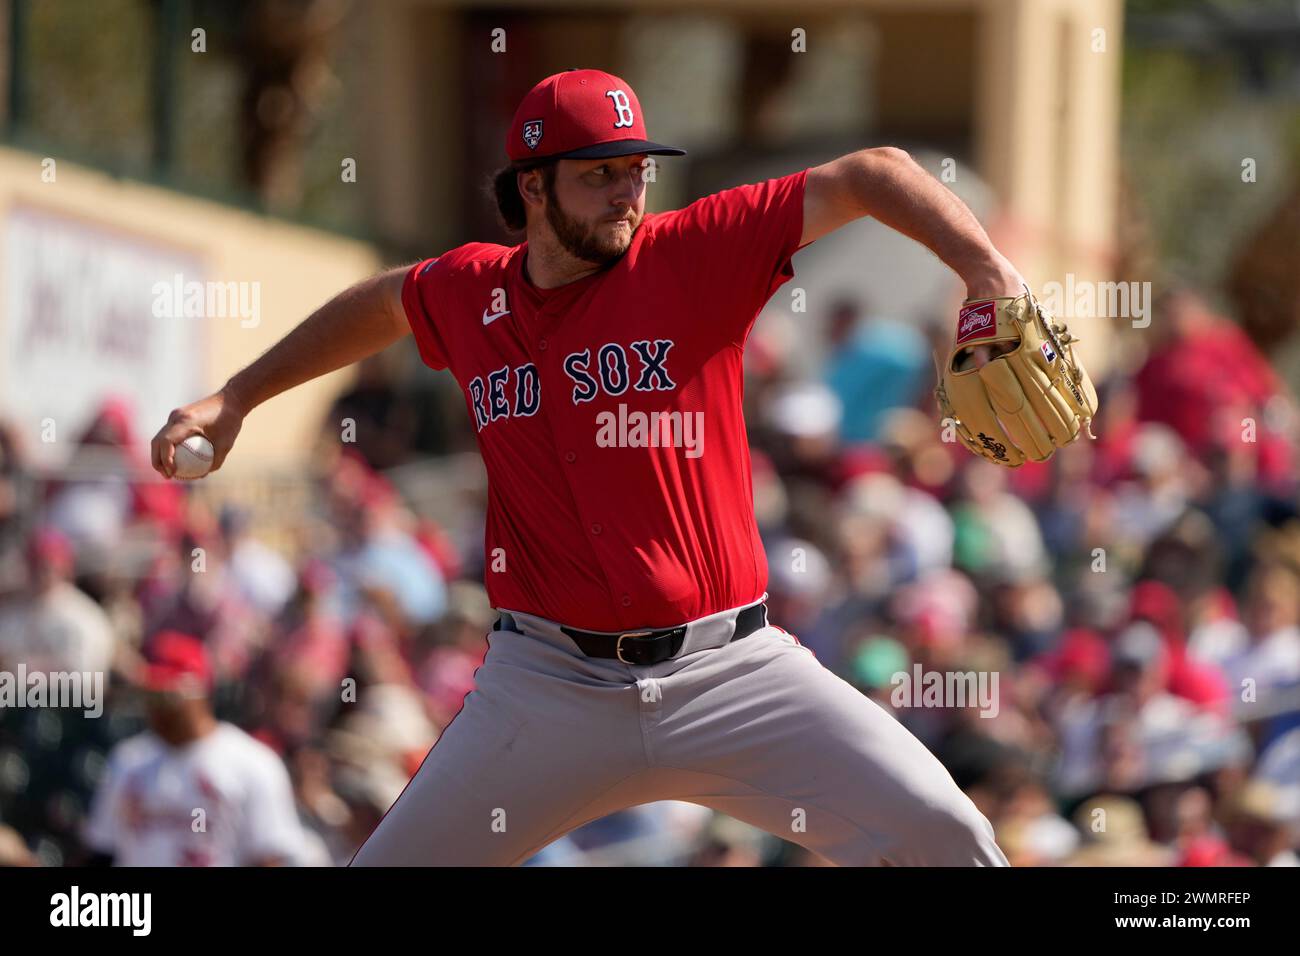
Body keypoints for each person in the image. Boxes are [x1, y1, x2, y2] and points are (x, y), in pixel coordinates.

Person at [151, 69, 1019, 866]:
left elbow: (875, 171)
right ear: (533, 185)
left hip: (730, 668)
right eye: (598, 172)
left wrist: (985, 272)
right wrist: (239, 397)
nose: (627, 191)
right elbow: (382, 304)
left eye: (635, 168)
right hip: (546, 688)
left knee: (947, 833)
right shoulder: (468, 292)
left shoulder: (692, 252)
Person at [81, 631, 308, 866]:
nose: (157, 709)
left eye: (168, 697)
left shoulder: (253, 762)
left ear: (199, 693)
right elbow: (102, 850)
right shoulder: (129, 760)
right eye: (152, 695)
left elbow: (270, 856)